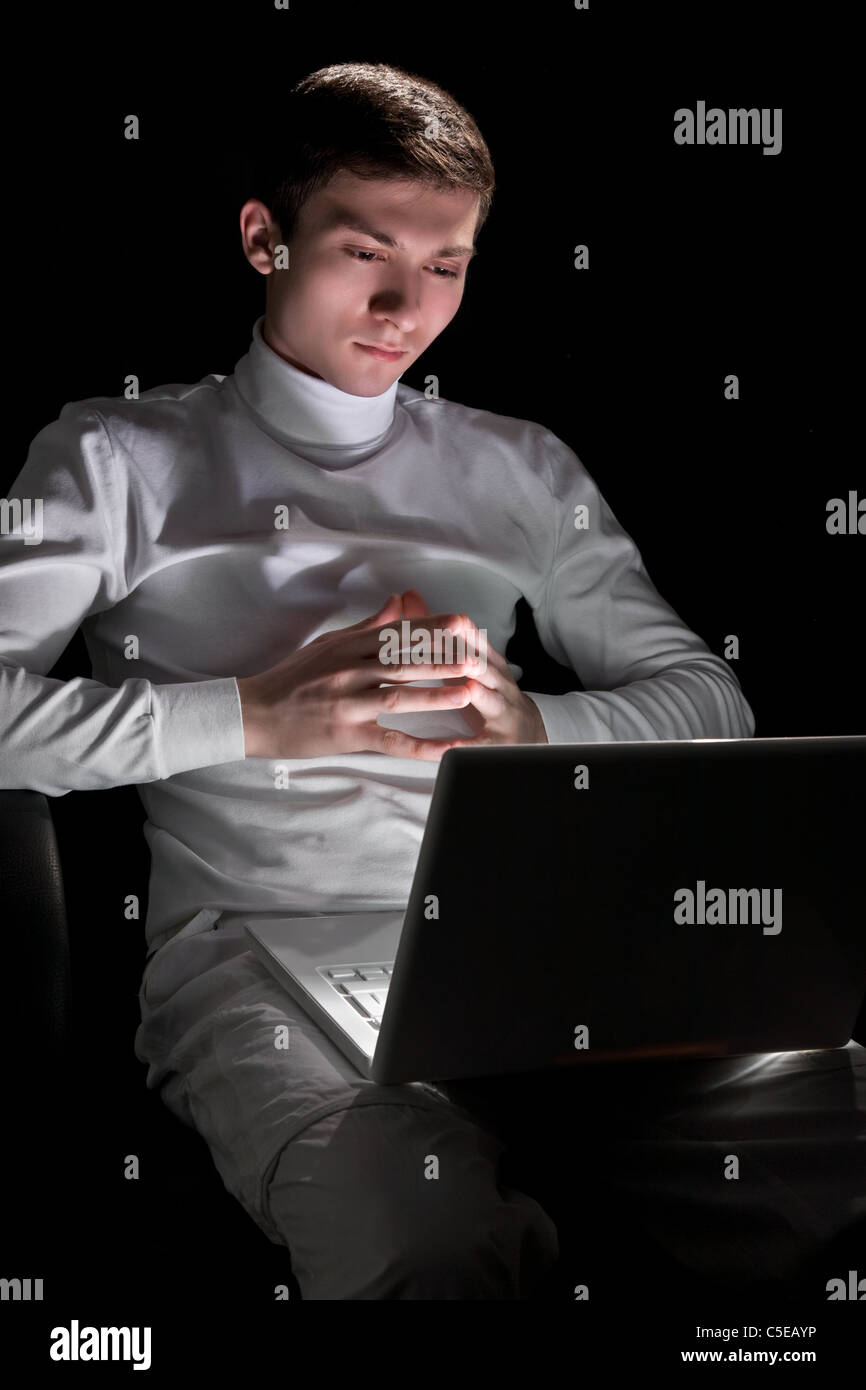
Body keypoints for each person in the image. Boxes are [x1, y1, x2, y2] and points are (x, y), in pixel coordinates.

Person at [2, 61, 862, 1301]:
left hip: (536, 946)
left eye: (449, 265)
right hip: (256, 955)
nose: (407, 305)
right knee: (423, 1240)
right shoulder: (120, 455)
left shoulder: (514, 465)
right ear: (262, 236)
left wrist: (529, 720)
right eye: (365, 252)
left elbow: (708, 700)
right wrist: (256, 713)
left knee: (832, 1129)